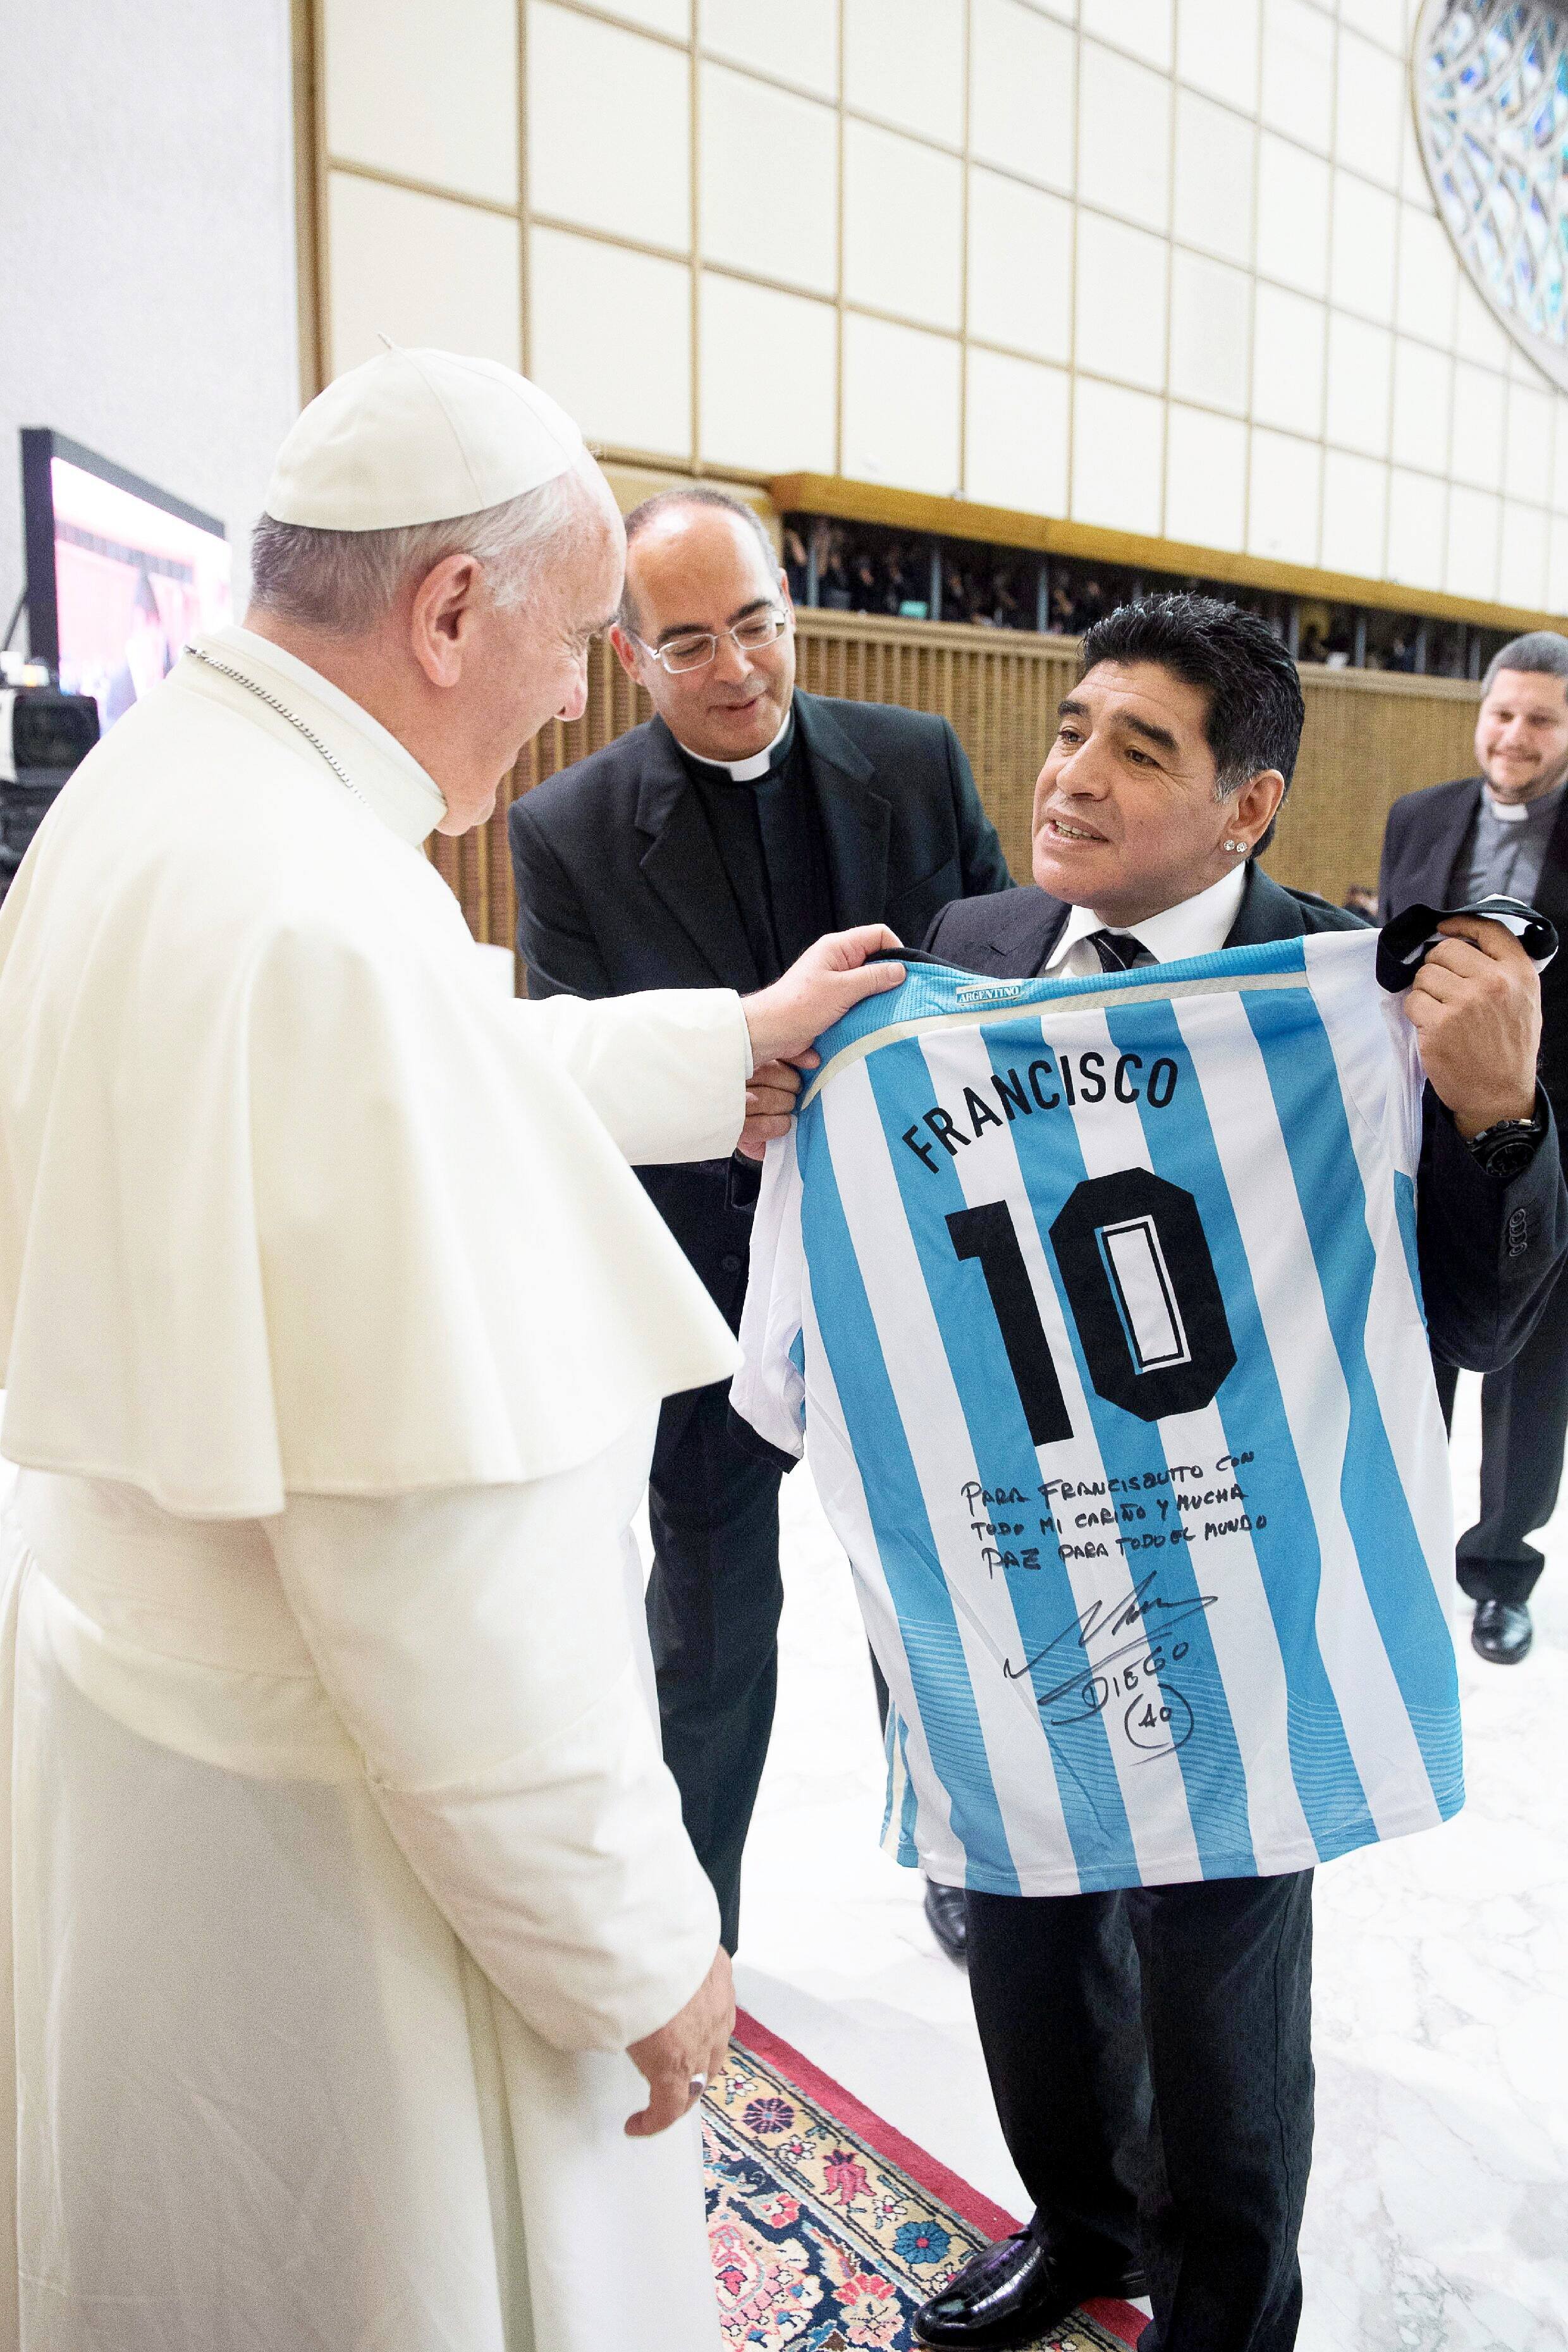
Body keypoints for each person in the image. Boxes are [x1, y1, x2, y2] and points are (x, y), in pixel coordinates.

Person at [0, 346, 904, 2352]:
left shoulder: (170, 789)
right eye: (580, 636)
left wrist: (711, 1042)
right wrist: (637, 1945)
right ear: (448, 610)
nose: (585, 688)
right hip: (331, 1837)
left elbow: (405, 1071)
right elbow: (448, 1578)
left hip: (150, 1722)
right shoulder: (320, 910)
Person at [893, 594, 1562, 2352]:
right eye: (1068, 728)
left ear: (1247, 803)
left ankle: (1226, 2312)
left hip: (1243, 1564)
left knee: (1219, 1986)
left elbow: (1483, 1325)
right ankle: (1085, 2224)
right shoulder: (967, 937)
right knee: (1025, 1929)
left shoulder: (1347, 994)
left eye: (1141, 747)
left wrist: (1498, 1120)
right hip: (1019, 1547)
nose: (1075, 776)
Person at [508, 487, 1011, 1962]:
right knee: (711, 1633)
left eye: (755, 626)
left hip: (914, 1273)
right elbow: (576, 1073)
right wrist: (704, 1094)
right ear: (627, 656)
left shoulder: (911, 764)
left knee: (933, 1602)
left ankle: (970, 1863)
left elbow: (996, 976)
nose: (734, 670)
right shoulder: (569, 829)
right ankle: (695, 1920)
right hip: (707, 1286)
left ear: (789, 612)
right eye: (688, 644)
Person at [1381, 630, 1568, 1664]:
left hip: (1551, 1147)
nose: (1515, 735)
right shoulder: (1421, 816)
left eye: (1541, 718)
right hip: (1420, 1140)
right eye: (1503, 712)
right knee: (1414, 1356)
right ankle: (1399, 1547)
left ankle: (1501, 1572)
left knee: (1533, 1377)